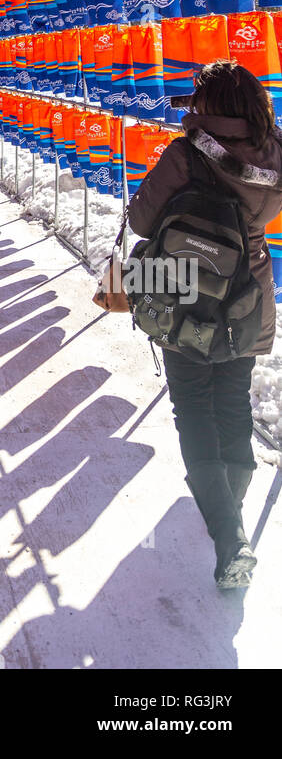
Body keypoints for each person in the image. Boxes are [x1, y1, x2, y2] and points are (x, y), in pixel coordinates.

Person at [127, 60, 282, 590]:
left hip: (183, 294)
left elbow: (140, 221)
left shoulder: (186, 153)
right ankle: (228, 509)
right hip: (246, 296)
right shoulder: (275, 155)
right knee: (233, 400)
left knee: (192, 405)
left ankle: (228, 533)